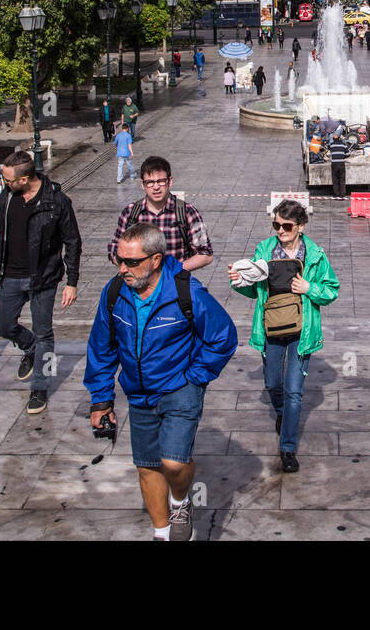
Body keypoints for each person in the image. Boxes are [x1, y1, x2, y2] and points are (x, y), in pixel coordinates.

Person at [86, 222, 237, 541]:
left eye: (132, 262)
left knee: (172, 462)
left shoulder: (186, 291)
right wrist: (101, 400)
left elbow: (223, 337)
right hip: (139, 394)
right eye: (119, 259)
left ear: (155, 260)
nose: (123, 268)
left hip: (179, 390)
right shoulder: (114, 293)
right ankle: (161, 531)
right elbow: (102, 348)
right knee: (147, 466)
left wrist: (194, 377)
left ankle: (180, 501)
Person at [228, 199, 339, 474]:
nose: (280, 230)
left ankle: (287, 448)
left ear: (300, 226)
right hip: (271, 326)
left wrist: (309, 287)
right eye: (276, 224)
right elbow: (254, 290)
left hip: (302, 330)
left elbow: (331, 290)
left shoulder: (315, 254)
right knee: (271, 383)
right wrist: (238, 281)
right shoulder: (265, 250)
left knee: (294, 391)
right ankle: (280, 412)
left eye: (286, 226)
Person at [0, 150, 82, 415]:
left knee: (45, 334)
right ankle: (29, 349)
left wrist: (71, 281)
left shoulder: (57, 201)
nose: (4, 184)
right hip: (10, 276)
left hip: (43, 278)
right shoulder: (7, 197)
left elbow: (72, 241)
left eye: (8, 180)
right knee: (3, 326)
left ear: (25, 179)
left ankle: (41, 386)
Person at [107, 156, 215, 275]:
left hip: (176, 285)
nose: (156, 187)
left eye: (161, 181)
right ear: (142, 184)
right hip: (138, 287)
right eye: (150, 182)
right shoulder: (130, 213)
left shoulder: (187, 212)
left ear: (170, 181)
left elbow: (205, 254)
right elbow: (114, 250)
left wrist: (174, 271)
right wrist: (134, 269)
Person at [326, 130, 348, 198]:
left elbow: (327, 147)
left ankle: (336, 194)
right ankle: (343, 194)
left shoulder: (332, 145)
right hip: (341, 163)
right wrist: (342, 156)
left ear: (333, 139)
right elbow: (347, 154)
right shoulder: (343, 145)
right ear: (339, 138)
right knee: (342, 179)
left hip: (334, 164)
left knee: (335, 179)